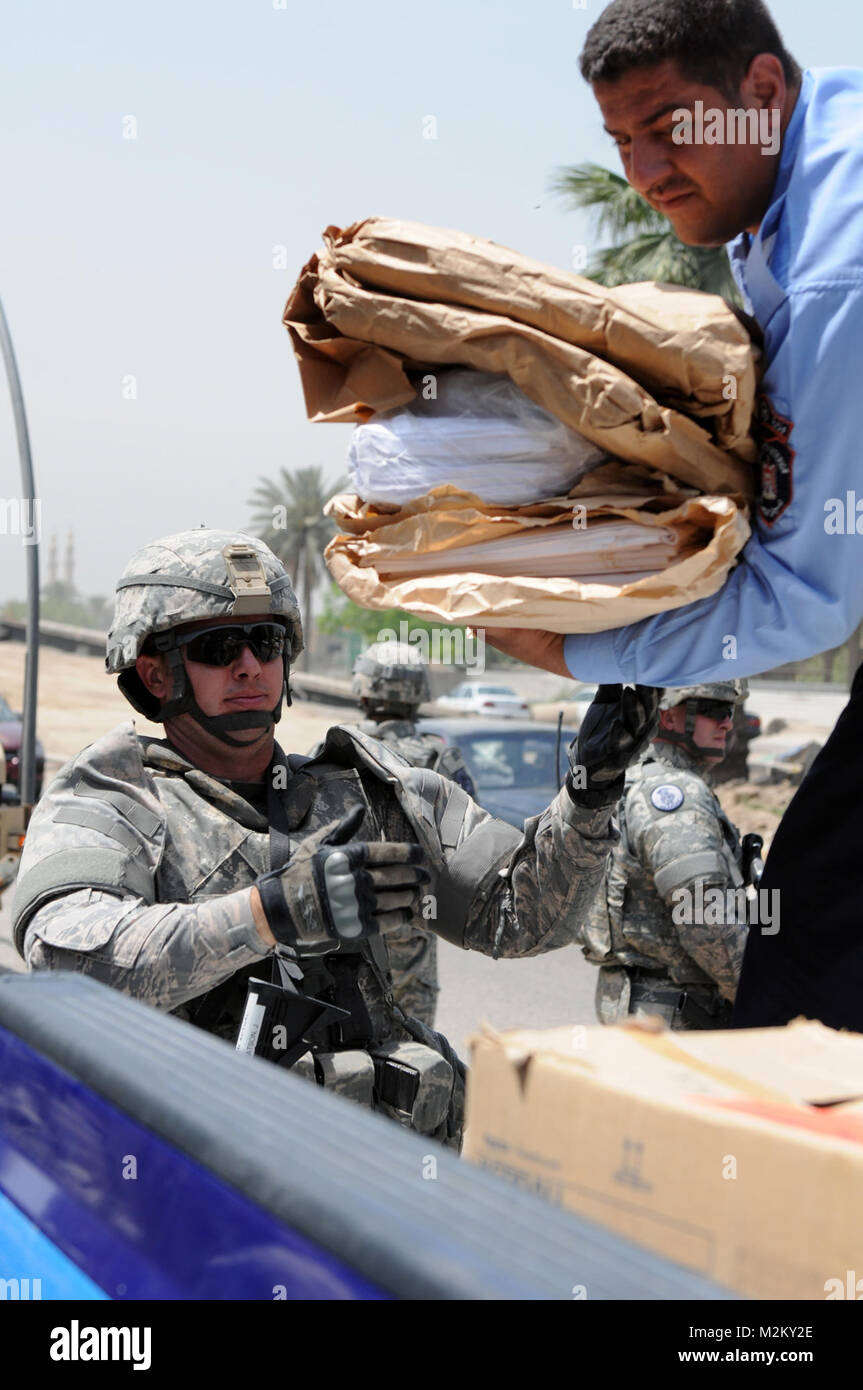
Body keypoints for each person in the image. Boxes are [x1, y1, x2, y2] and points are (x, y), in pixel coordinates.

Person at [11, 529, 659, 1146]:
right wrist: (269, 913)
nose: (248, 666)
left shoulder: (367, 792)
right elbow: (70, 963)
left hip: (375, 1170)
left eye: (265, 642)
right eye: (218, 647)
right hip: (200, 1173)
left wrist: (589, 793)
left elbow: (520, 920)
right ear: (156, 675)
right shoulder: (112, 797)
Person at [483, 0, 863, 1031]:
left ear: (760, 90)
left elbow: (806, 597)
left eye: (667, 127)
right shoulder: (803, 172)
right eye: (619, 141)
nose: (643, 171)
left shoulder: (835, 268)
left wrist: (572, 648)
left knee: (807, 981)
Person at [313, 640, 477, 1028]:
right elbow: (466, 837)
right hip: (415, 915)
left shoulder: (334, 748)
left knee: (346, 1030)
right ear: (418, 692)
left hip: (344, 912)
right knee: (413, 1038)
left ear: (364, 690)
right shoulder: (438, 757)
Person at [583, 682, 750, 1029]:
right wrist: (761, 991)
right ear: (669, 715)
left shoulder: (634, 778)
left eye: (729, 712)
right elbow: (704, 918)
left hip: (649, 1004)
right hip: (677, 1013)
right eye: (713, 711)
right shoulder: (674, 793)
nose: (726, 723)